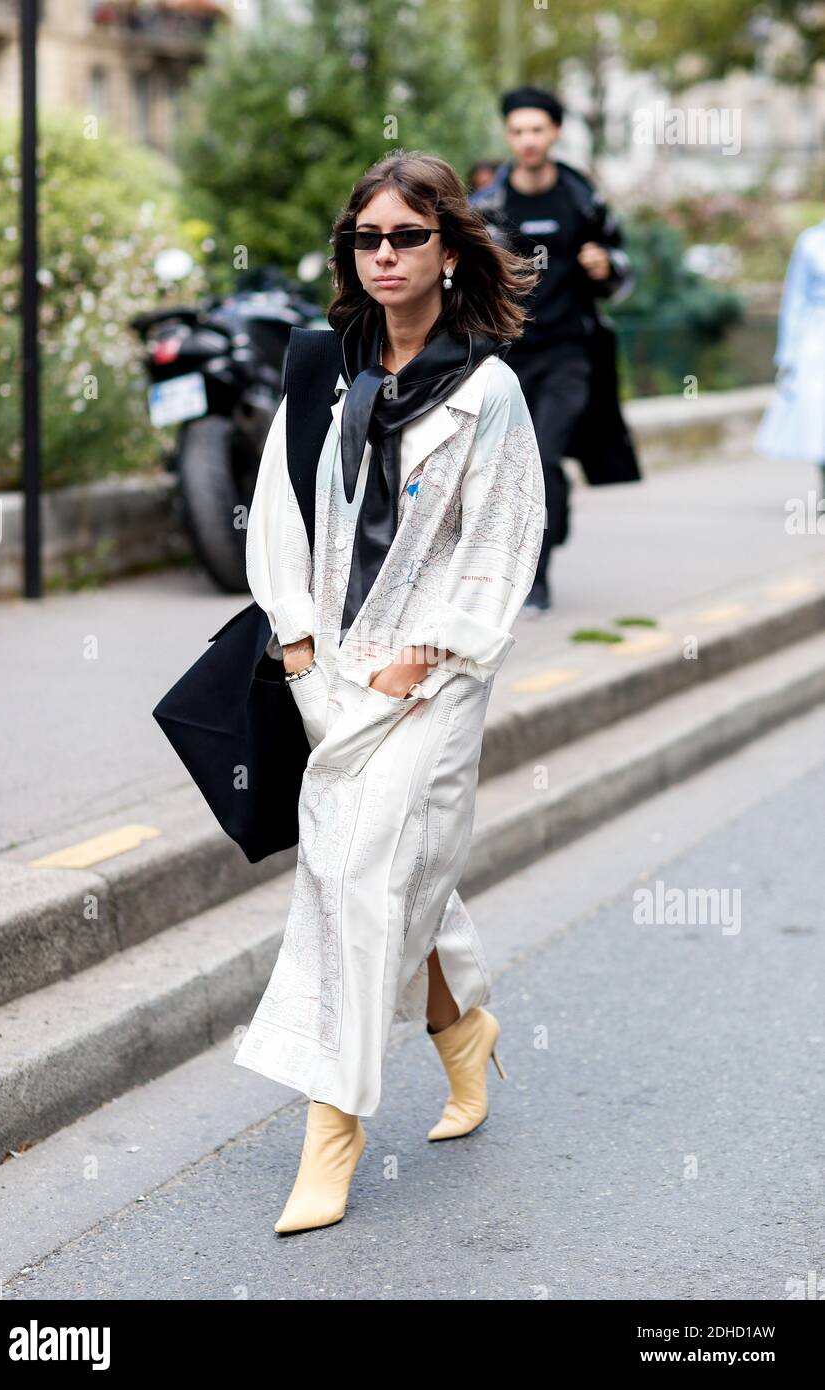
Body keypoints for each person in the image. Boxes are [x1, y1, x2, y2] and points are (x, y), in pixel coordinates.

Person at [232, 150, 545, 1234]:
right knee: (397, 874)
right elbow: (279, 506)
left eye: (406, 236)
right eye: (366, 237)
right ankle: (466, 1036)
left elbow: (502, 539)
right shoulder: (326, 365)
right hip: (333, 670)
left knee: (359, 877)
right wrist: (299, 644)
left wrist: (434, 648)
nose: (383, 256)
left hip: (431, 680)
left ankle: (331, 1130)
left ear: (448, 249)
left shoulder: (488, 389)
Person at [469, 85, 640, 611]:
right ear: (508, 136)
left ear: (555, 133)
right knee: (510, 465)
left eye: (537, 129)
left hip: (570, 352)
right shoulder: (487, 206)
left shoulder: (583, 199)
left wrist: (607, 268)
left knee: (541, 455)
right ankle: (551, 517)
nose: (527, 140)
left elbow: (623, 268)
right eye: (517, 131)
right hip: (508, 355)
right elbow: (465, 279)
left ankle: (535, 579)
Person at [754, 217, 825, 500]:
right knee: (819, 413)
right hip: (818, 340)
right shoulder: (811, 241)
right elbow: (796, 299)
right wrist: (787, 355)